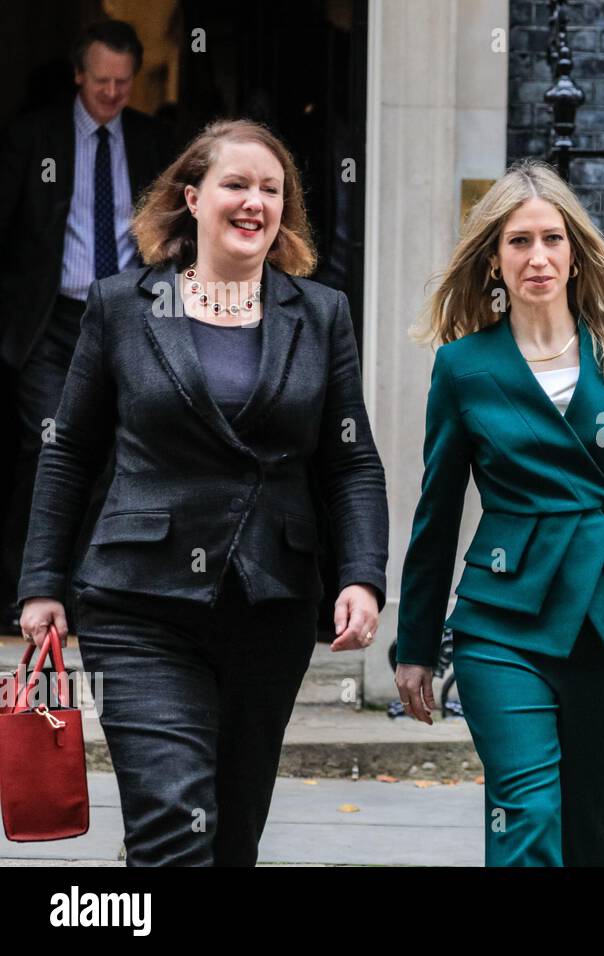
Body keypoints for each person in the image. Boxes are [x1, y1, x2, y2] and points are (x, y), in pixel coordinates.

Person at [16, 118, 389, 866]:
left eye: (271, 189)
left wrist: (362, 576)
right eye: (236, 184)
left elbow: (350, 462)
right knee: (173, 824)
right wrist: (41, 583)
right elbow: (70, 452)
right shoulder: (121, 305)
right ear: (192, 197)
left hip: (269, 606)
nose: (255, 202)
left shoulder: (320, 314)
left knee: (231, 836)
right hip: (139, 603)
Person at [396, 159, 604, 867]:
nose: (536, 256)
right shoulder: (463, 368)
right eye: (517, 241)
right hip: (504, 625)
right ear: (494, 259)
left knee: (592, 823)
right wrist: (414, 647)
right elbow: (437, 514)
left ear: (575, 254)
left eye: (551, 239)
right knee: (528, 811)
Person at [0, 20, 172, 633]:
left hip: (128, 319)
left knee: (118, 453)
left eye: (123, 83)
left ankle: (86, 593)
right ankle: (26, 592)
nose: (112, 93)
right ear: (79, 74)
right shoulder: (34, 136)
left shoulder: (154, 142)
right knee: (47, 449)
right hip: (51, 324)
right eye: (101, 80)